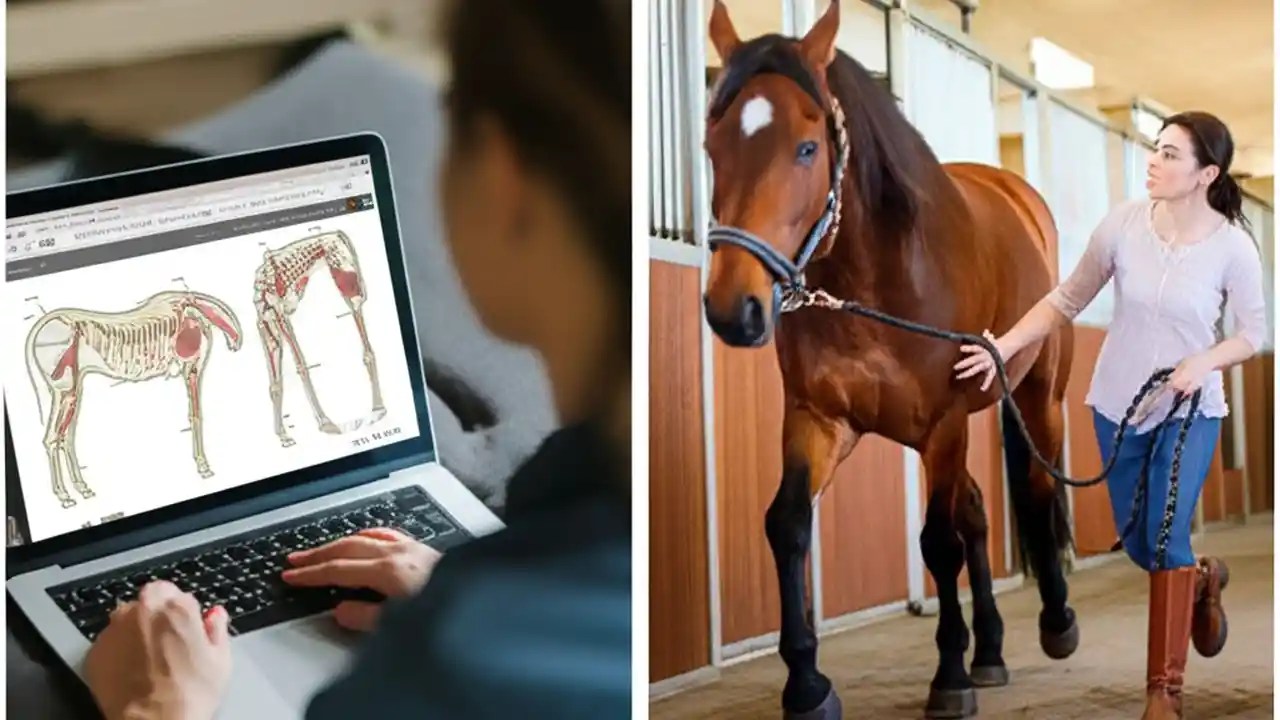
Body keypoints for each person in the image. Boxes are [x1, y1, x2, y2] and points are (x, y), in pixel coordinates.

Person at [80, 1, 632, 719]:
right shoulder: (583, 507)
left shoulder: (455, 665)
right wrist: (468, 581)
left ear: (502, 177)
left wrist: (158, 710)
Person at [954, 110, 1266, 719]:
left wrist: (1203, 363)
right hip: (1119, 404)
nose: (1154, 160)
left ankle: (1164, 693)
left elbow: (1255, 334)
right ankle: (1199, 580)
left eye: (1171, 154)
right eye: (1157, 148)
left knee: (1166, 534)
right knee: (1142, 543)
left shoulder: (1233, 247)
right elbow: (1064, 300)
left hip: (1190, 407)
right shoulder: (1123, 225)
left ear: (1206, 174)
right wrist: (1003, 345)